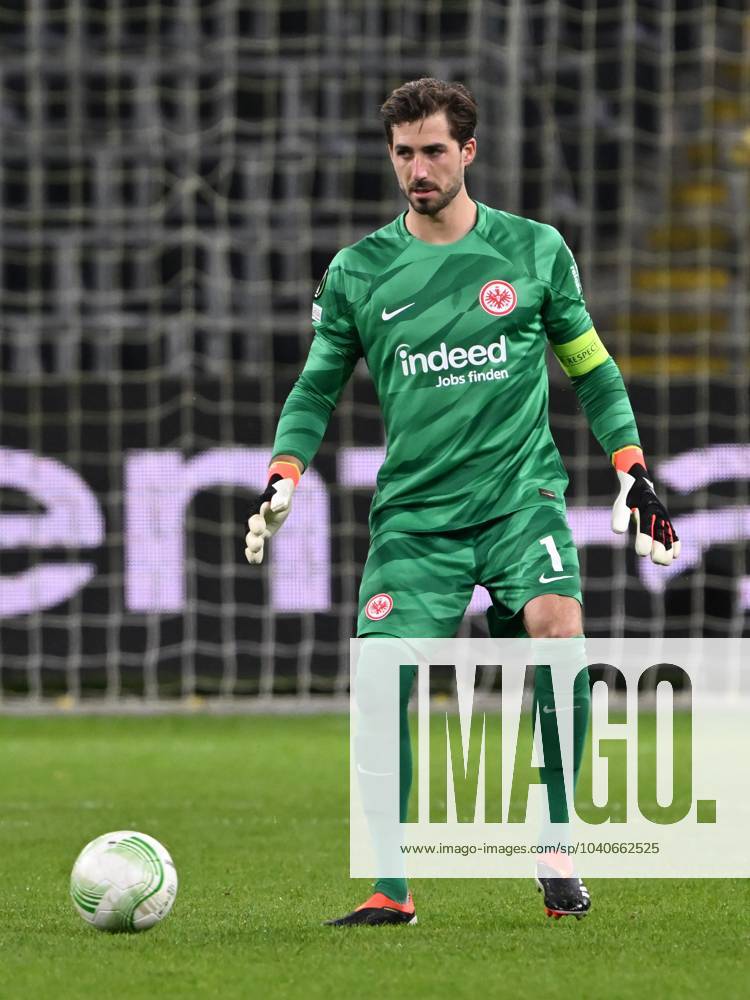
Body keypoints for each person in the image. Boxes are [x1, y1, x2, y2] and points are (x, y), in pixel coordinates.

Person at [245, 78, 680, 926]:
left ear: (468, 151)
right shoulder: (360, 271)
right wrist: (285, 471)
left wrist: (632, 467)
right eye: (404, 152)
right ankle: (391, 888)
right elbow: (313, 389)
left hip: (521, 500)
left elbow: (591, 369)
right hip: (416, 518)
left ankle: (554, 841)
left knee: (559, 630)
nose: (418, 168)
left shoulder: (534, 251)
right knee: (380, 679)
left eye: (434, 150)